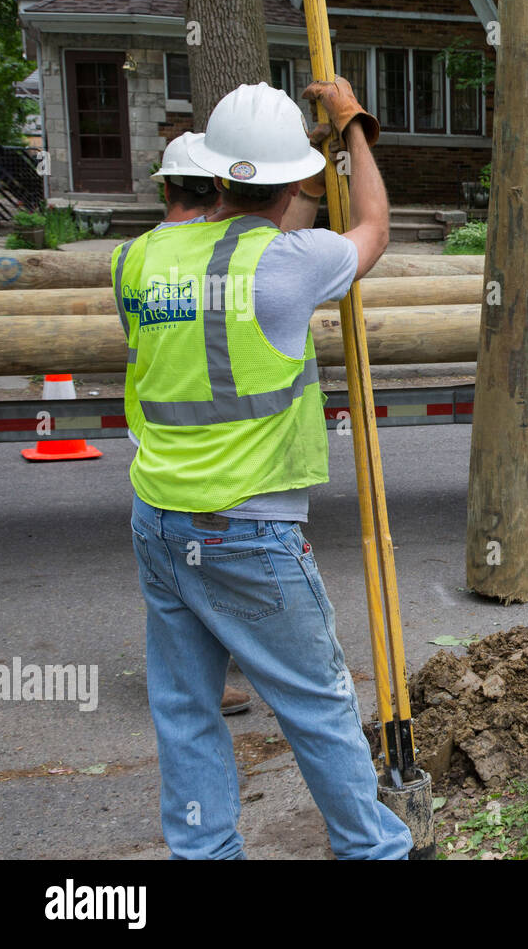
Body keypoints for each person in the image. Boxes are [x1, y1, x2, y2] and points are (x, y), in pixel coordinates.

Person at [112, 80, 410, 858]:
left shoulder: (135, 260)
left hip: (158, 519)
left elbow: (234, 242)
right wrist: (353, 132)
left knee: (185, 707)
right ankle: (372, 850)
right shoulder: (288, 267)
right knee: (318, 703)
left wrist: (306, 174)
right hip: (249, 530)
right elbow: (374, 226)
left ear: (214, 173)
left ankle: (205, 852)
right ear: (297, 186)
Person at [149, 131, 252, 717]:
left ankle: (194, 683)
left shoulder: (134, 256)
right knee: (221, 567)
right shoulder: (223, 252)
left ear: (165, 186)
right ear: (217, 186)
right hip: (221, 461)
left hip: (157, 453)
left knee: (177, 574)